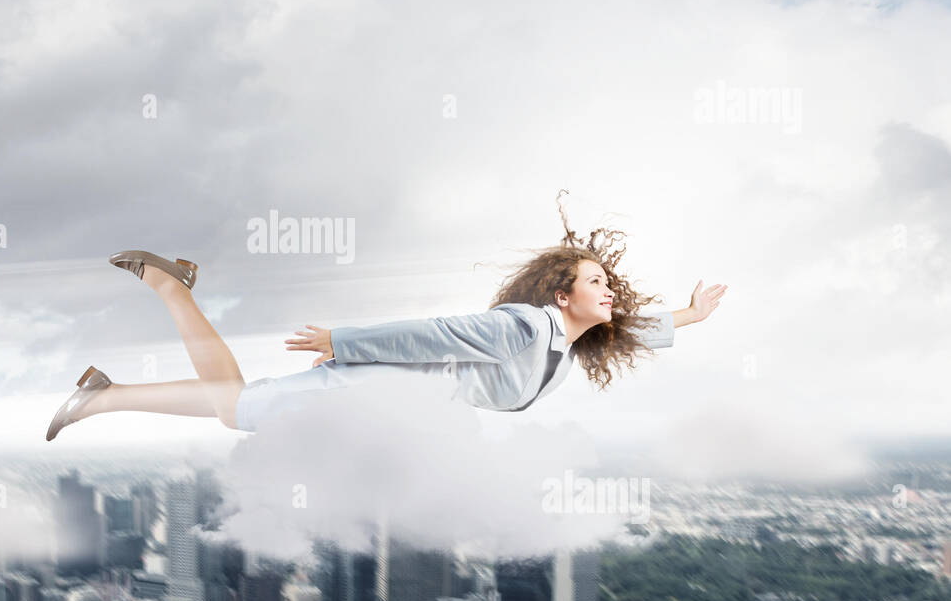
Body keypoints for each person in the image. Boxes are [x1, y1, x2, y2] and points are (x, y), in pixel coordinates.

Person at [45, 203, 726, 441]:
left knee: (238, 409)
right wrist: (344, 342)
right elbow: (431, 334)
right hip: (374, 388)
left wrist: (689, 316)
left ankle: (118, 378)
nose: (611, 295)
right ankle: (162, 300)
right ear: (559, 293)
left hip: (392, 404)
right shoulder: (521, 328)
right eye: (597, 283)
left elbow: (630, 327)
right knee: (238, 409)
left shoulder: (561, 344)